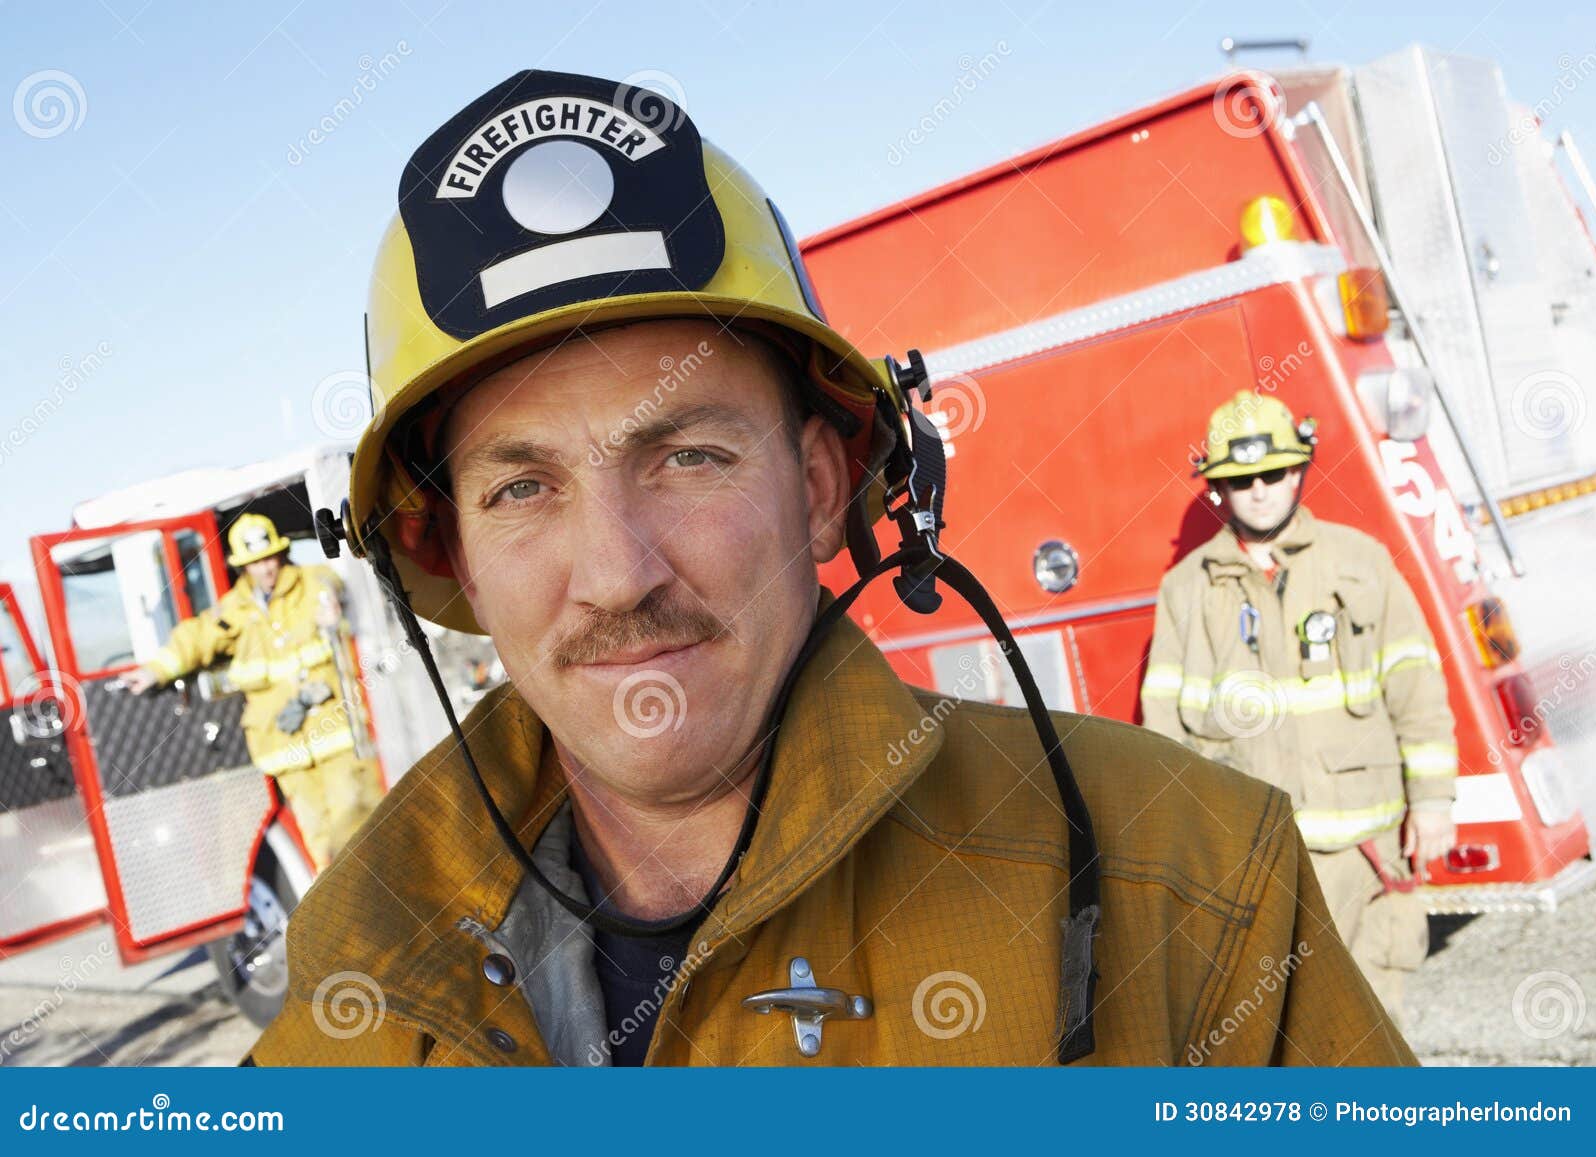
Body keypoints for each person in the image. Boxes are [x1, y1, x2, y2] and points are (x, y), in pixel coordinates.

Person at [243, 70, 1414, 1066]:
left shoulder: (1195, 881)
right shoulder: (359, 968)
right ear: (442, 553)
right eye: (521, 486)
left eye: (689, 454)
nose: (614, 573)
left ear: (817, 488)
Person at [1140, 390, 1458, 1023]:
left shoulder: (1360, 560)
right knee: (1281, 1034)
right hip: (1259, 860)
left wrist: (1433, 802)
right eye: (1239, 479)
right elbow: (1164, 729)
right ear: (1220, 489)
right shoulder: (1186, 588)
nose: (1258, 490)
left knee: (1372, 1037)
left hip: (1366, 852)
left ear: (1299, 470)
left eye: (1272, 472)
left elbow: (1415, 685)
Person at [120, 513, 384, 872]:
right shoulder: (234, 610)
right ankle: (348, 917)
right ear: (242, 567)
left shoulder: (311, 584)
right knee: (321, 842)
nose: (265, 569)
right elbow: (197, 637)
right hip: (286, 746)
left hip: (337, 737)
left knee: (361, 826)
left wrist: (331, 605)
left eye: (268, 558)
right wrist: (156, 669)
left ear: (280, 553)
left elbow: (331, 584)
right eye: (255, 562)